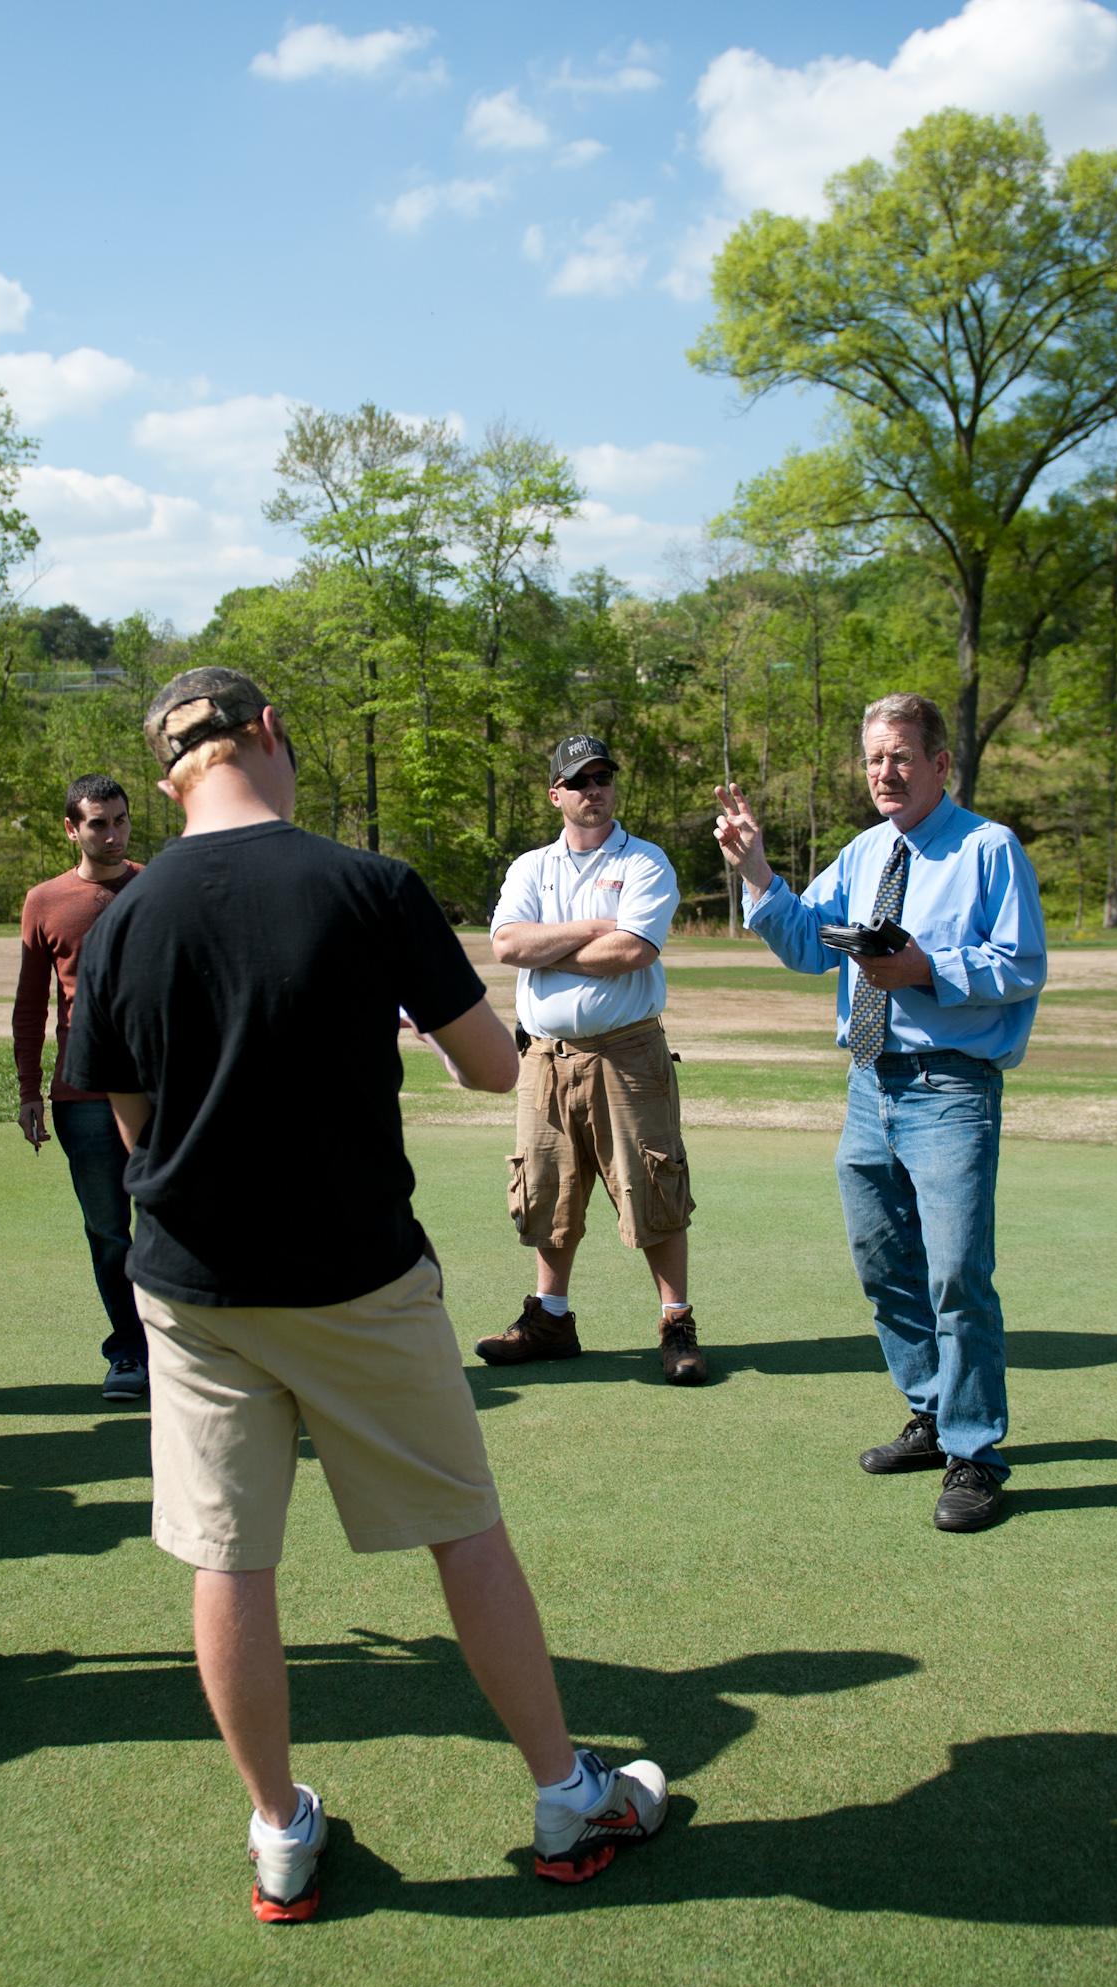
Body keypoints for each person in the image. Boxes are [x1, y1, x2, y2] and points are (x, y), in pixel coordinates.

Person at [63, 667, 671, 1923]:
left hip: (191, 1285)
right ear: (271, 733)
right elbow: (492, 1063)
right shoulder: (368, 884)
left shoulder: (118, 916)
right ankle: (565, 1793)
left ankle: (279, 1829)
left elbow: (130, 1129)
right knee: (464, 1527)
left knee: (229, 1558)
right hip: (356, 1273)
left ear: (169, 773)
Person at [712, 692, 1046, 1534]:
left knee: (956, 1275)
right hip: (869, 1085)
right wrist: (755, 870)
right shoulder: (864, 853)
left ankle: (976, 1455)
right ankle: (931, 1415)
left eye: (900, 756)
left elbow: (1022, 964)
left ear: (940, 764)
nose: (884, 773)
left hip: (950, 1087)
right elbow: (802, 943)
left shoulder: (988, 848)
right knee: (882, 1262)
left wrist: (927, 969)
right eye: (872, 759)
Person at [478, 733, 703, 1384]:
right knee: (545, 1187)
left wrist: (550, 948)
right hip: (544, 1057)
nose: (593, 790)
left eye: (602, 778)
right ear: (556, 795)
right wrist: (594, 929)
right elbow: (507, 944)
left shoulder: (645, 862)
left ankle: (676, 1321)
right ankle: (550, 1317)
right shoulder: (531, 869)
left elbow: (633, 951)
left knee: (652, 1183)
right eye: (578, 782)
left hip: (627, 1052)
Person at [13, 773, 148, 1400]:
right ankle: (129, 1352)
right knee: (109, 1231)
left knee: (171, 1221)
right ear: (72, 828)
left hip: (159, 1090)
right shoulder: (45, 901)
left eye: (120, 820)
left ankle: (185, 1350)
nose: (113, 834)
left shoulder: (156, 888)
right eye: (98, 823)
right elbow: (29, 1004)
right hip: (82, 1096)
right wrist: (29, 1090)